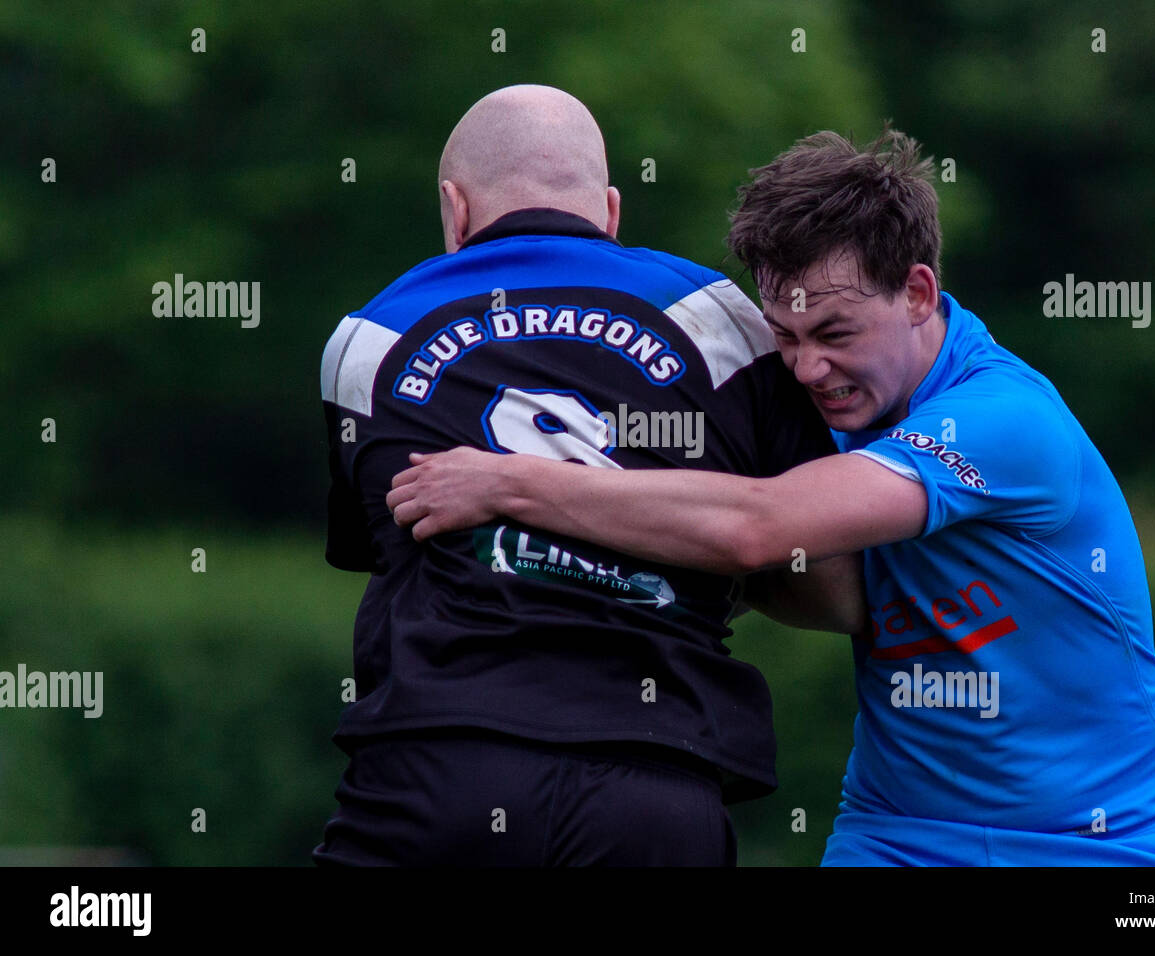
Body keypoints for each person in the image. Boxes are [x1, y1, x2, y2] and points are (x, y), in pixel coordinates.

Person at [388, 128, 1155, 866]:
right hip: (897, 833)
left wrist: (511, 481)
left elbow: (759, 528)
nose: (808, 369)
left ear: (920, 294)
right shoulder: (829, 405)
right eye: (783, 337)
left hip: (1109, 841)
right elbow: (812, 586)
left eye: (835, 334)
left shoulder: (1006, 421)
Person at [312, 86, 864, 867]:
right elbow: (834, 586)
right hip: (655, 786)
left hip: (434, 778)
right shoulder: (723, 319)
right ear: (608, 210)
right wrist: (690, 545)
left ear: (454, 210)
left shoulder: (365, 338)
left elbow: (390, 537)